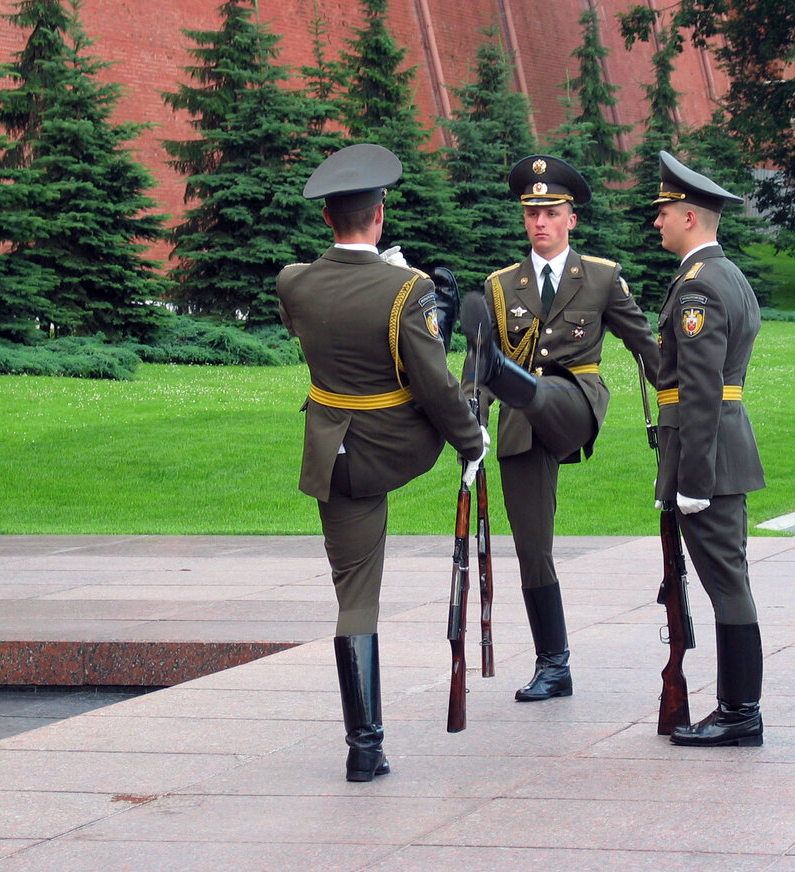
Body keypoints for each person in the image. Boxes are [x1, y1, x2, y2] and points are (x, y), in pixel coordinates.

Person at [277, 143, 488, 782]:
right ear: (380, 214)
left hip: (330, 453)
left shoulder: (294, 282)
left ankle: (363, 746)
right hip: (393, 447)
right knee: (440, 389)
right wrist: (471, 440)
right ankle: (365, 742)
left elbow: (321, 312)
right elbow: (432, 384)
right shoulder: (408, 289)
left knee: (355, 598)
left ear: (326, 220)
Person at [460, 154, 659, 702]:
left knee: (538, 388)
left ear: (572, 218)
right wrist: (469, 424)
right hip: (522, 423)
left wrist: (685, 401)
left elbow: (646, 347)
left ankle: (516, 379)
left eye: (551, 212)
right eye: (532, 213)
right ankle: (554, 664)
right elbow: (473, 372)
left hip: (576, 402)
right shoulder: (500, 286)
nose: (540, 222)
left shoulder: (600, 276)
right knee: (531, 547)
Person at [650, 150, 765, 747]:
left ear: (689, 217)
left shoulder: (698, 288)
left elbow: (697, 392)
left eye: (664, 211)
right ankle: (738, 708)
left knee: (725, 583)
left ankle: (740, 712)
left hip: (710, 460)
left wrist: (691, 479)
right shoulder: (728, 276)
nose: (658, 221)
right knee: (729, 578)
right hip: (720, 449)